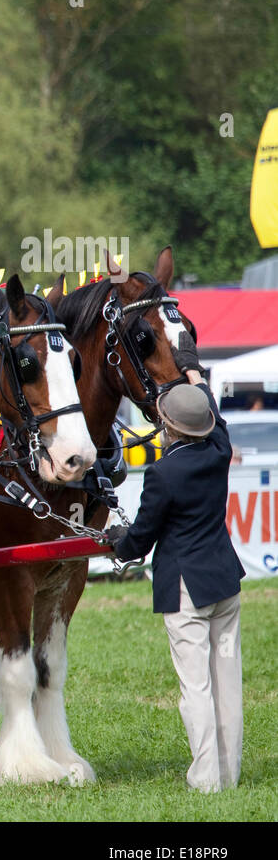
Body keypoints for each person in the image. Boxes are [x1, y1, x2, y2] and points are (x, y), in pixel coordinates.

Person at [107, 334, 243, 792]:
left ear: (170, 428)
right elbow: (213, 413)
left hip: (186, 590)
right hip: (224, 579)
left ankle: (205, 780)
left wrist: (117, 544)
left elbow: (142, 535)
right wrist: (193, 370)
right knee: (227, 681)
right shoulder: (220, 448)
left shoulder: (163, 474)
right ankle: (229, 772)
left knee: (196, 689)